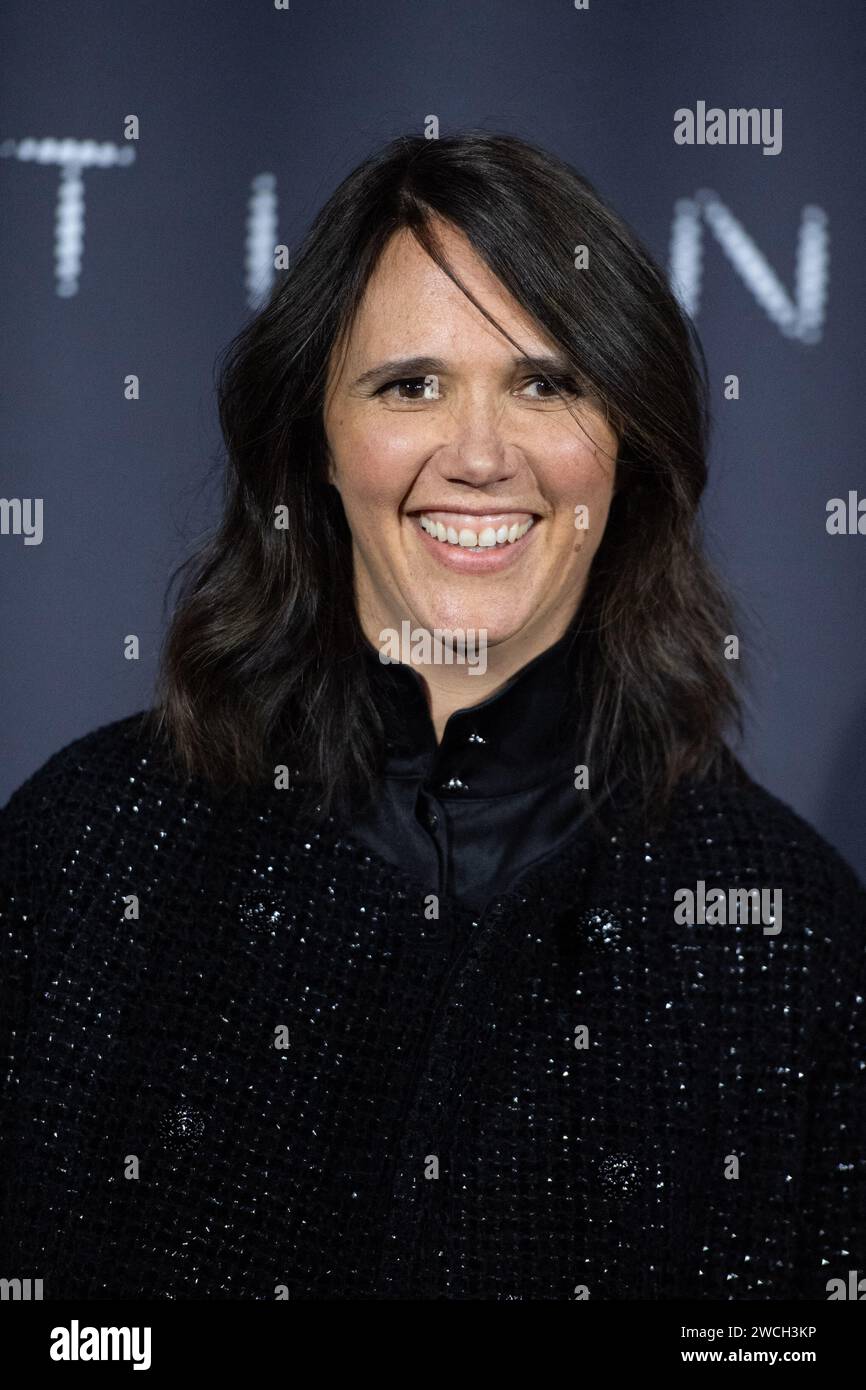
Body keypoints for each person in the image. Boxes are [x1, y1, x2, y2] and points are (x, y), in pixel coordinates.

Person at [1, 131, 863, 1301]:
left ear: (625, 443)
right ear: (314, 441)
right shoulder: (83, 850)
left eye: (544, 382)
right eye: (410, 384)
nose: (477, 455)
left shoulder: (791, 934)